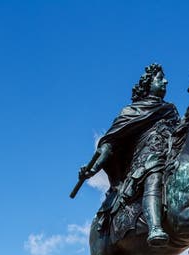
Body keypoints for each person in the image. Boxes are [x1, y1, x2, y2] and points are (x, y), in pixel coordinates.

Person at [77, 64, 180, 245]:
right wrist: (92, 170)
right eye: (160, 78)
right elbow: (109, 145)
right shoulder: (131, 112)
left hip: (170, 156)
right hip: (144, 162)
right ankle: (155, 227)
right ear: (148, 84)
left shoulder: (170, 110)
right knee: (154, 171)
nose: (166, 81)